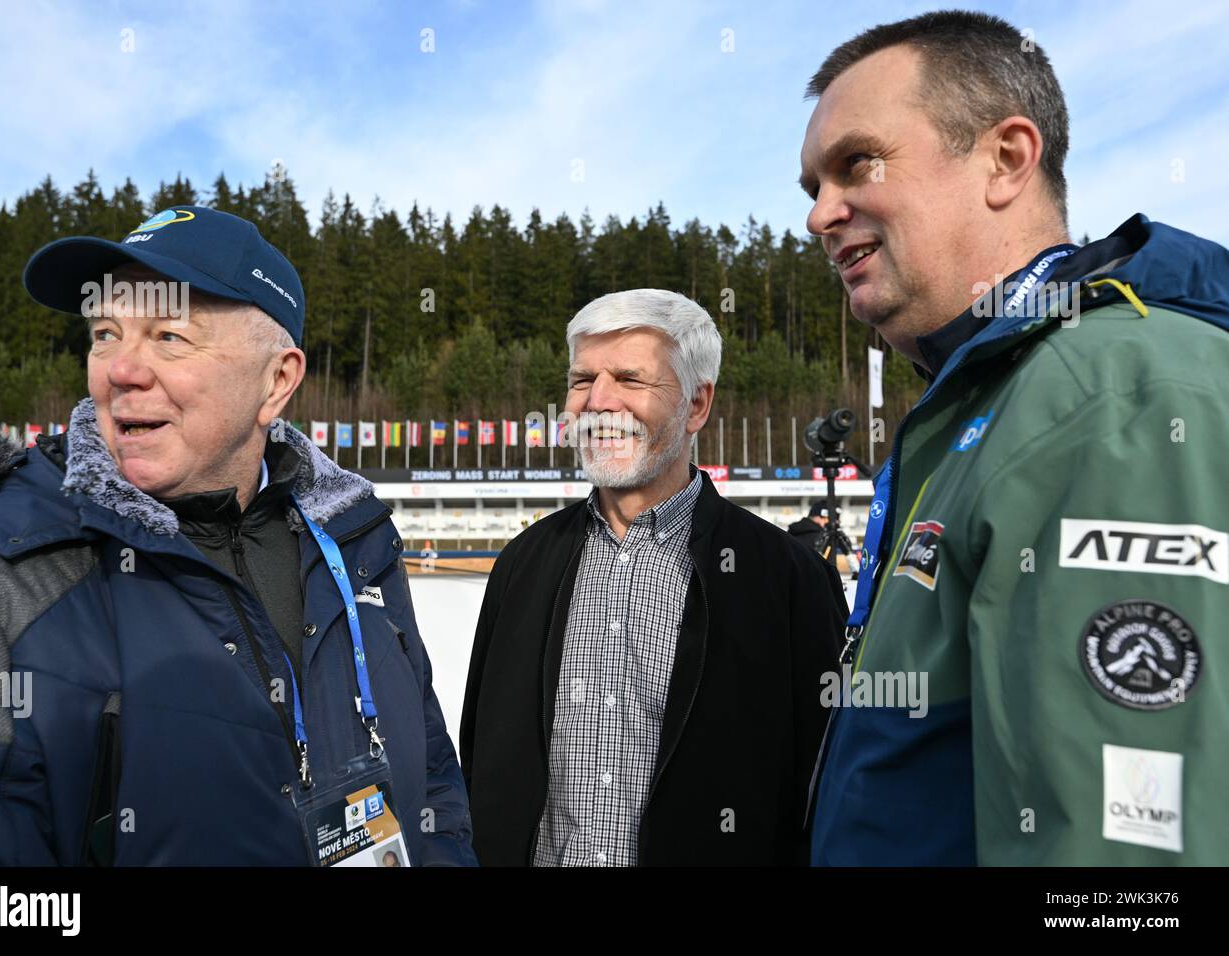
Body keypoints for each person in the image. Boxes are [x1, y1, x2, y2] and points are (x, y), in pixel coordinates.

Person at [799, 11, 1229, 864]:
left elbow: (1126, 858)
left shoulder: (1111, 392)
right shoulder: (988, 395)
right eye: (811, 186)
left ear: (1005, 159)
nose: (820, 215)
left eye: (856, 164)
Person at [0, 205, 475, 865]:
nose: (120, 369)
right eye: (105, 332)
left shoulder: (358, 544)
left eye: (167, 337)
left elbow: (434, 781)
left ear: (277, 382)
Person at [460, 289, 845, 866]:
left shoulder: (787, 580)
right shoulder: (522, 564)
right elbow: (480, 756)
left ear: (696, 404)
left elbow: (823, 791)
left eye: (630, 379)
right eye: (582, 379)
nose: (599, 402)